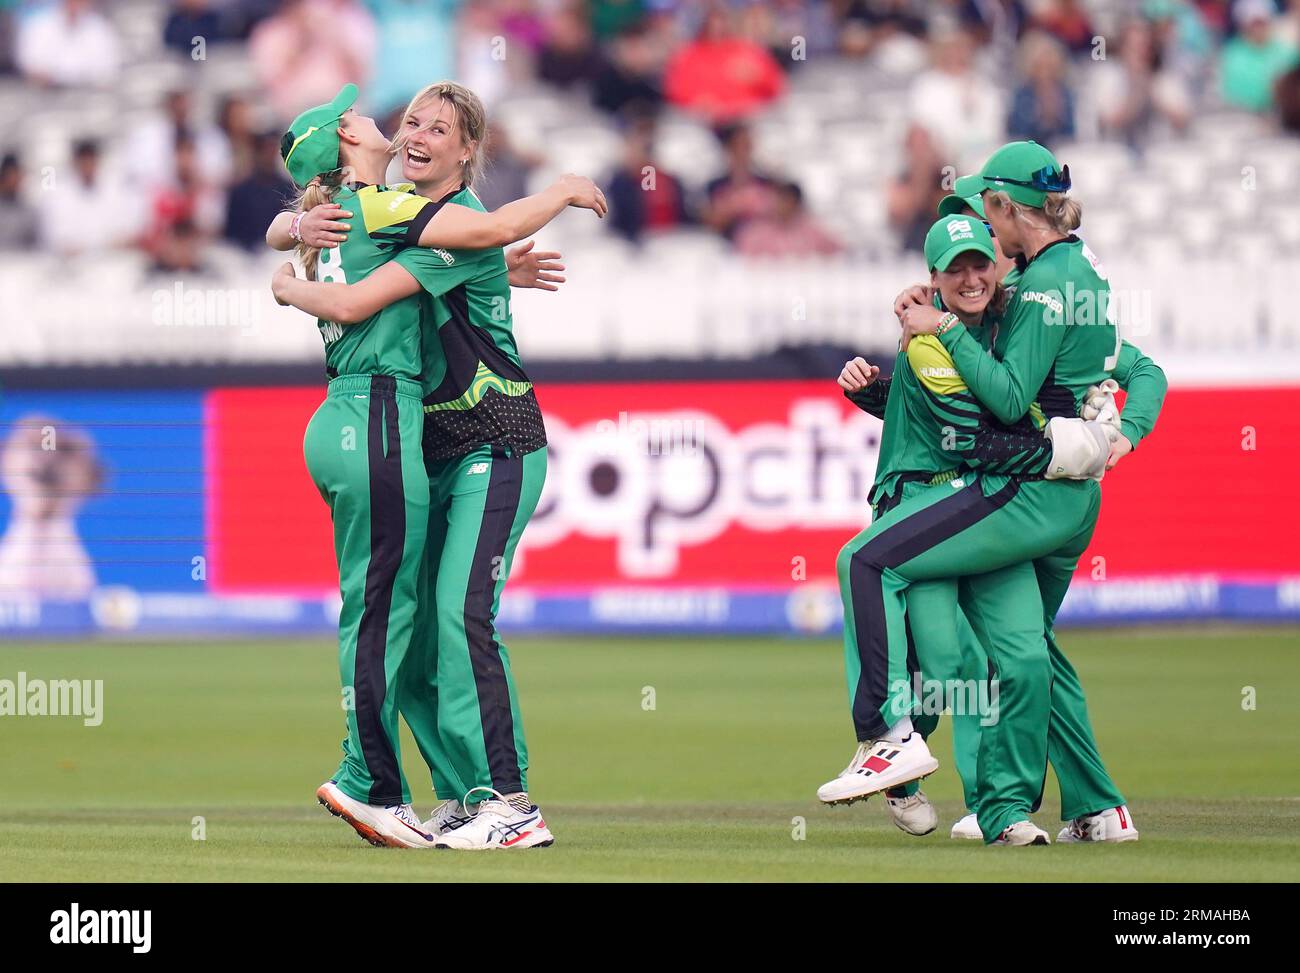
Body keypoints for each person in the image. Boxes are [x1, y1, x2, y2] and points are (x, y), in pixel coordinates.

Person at [265, 82, 604, 850]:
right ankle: (463, 795)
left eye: (437, 128)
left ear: (465, 151)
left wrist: (556, 193)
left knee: (456, 614)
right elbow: (314, 223)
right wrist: (289, 230)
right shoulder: (400, 215)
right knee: (414, 632)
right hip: (431, 447)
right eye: (411, 120)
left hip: (497, 439)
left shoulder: (452, 227)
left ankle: (512, 804)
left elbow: (393, 272)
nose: (416, 133)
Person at [820, 141, 1149, 844]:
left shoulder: (1029, 292)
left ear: (1004, 211)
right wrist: (1123, 429)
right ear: (935, 274)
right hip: (1066, 492)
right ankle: (1049, 808)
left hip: (1026, 490)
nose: (981, 251)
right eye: (956, 265)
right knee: (1025, 655)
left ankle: (891, 742)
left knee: (875, 572)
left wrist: (940, 325)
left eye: (985, 227)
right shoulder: (1071, 272)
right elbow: (1138, 366)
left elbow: (1000, 403)